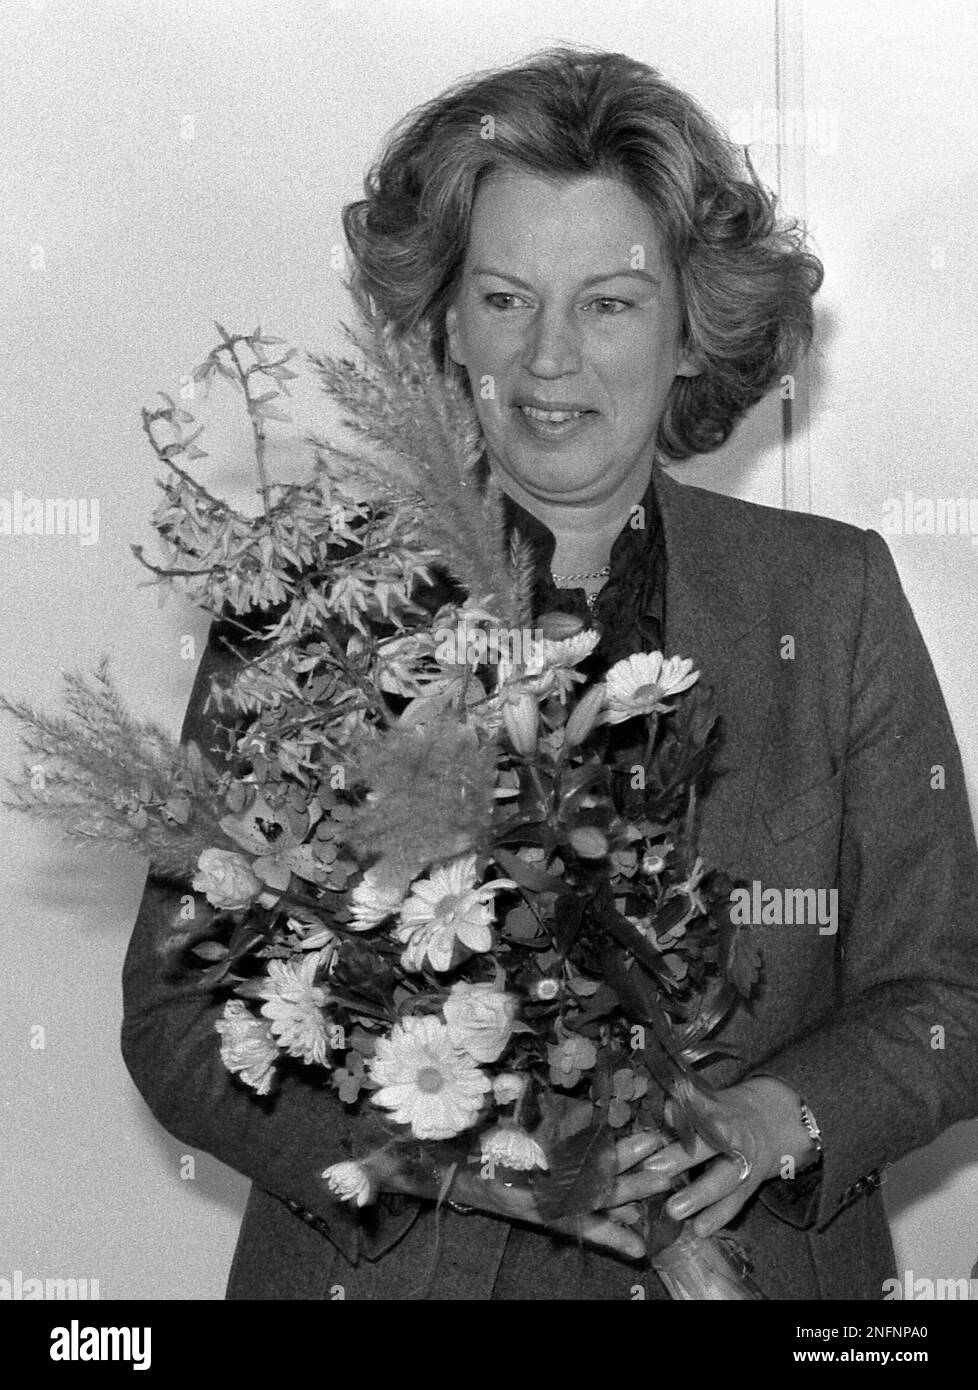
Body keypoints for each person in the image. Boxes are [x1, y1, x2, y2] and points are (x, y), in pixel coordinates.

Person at [121, 46, 978, 1300]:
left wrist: (778, 1114)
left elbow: (948, 994)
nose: (549, 360)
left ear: (693, 332)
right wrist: (442, 1154)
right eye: (507, 297)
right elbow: (182, 1020)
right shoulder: (314, 603)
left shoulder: (831, 597)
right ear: (445, 319)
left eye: (609, 303)